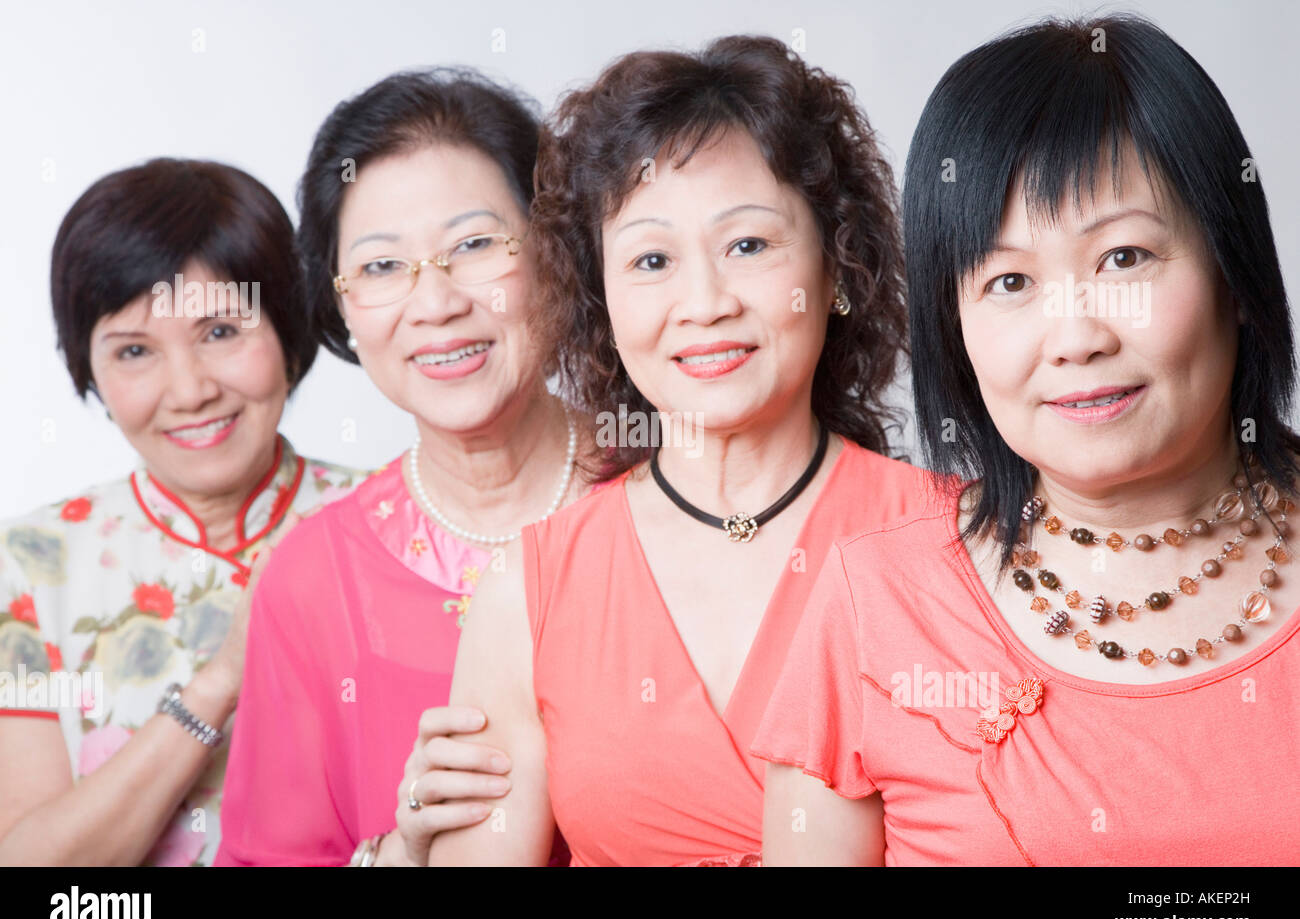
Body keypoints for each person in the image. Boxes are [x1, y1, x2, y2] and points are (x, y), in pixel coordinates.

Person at [756, 15, 1300, 865]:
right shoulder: (878, 602)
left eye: (1124, 258)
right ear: (957, 329)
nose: (1075, 335)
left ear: (1232, 269)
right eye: (1009, 280)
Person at [414, 35, 934, 867]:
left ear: (836, 268)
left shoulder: (957, 543)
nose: (704, 303)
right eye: (651, 260)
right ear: (602, 302)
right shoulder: (531, 591)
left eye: (750, 246)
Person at [216, 69, 579, 867]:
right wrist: (399, 854)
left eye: (476, 245)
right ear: (341, 303)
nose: (436, 301)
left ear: (556, 250)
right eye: (382, 267)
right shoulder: (312, 580)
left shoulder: (686, 496)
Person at [0, 159, 363, 865]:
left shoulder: (397, 518)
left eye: (221, 333)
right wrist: (220, 680)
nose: (190, 390)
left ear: (290, 332)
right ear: (89, 370)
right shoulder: (32, 564)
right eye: (135, 351)